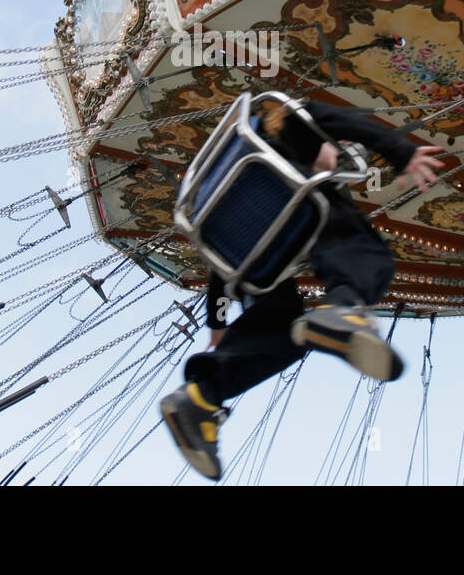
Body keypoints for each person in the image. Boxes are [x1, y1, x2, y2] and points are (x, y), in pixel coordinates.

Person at [160, 96, 447, 480]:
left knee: (283, 329)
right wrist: (402, 152)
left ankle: (201, 395)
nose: (335, 163)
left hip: (249, 248)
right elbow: (336, 118)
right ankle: (344, 307)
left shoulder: (239, 176)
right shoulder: (291, 127)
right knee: (355, 240)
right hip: (287, 204)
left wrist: (218, 325)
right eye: (337, 154)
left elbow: (221, 272)